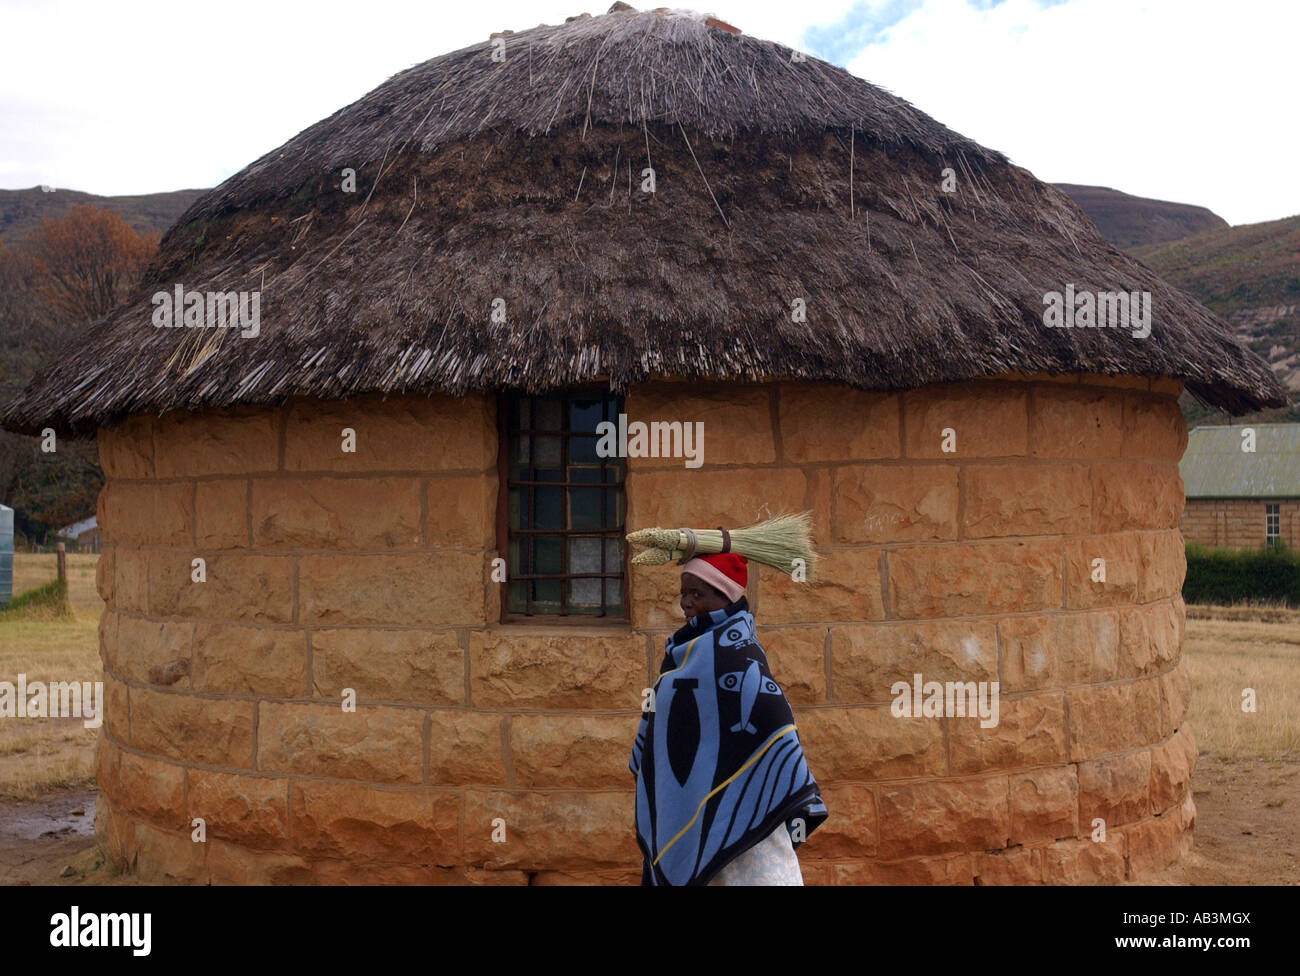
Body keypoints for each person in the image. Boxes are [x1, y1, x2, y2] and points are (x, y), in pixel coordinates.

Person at [629, 550, 827, 885]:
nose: (687, 604)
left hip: (746, 832)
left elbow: (774, 718)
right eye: (683, 593)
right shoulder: (682, 653)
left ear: (727, 597)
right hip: (691, 816)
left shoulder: (738, 655)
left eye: (698, 594)